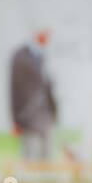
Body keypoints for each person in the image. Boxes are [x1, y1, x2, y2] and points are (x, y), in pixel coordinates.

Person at [10, 26, 57, 161]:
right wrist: (16, 120)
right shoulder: (20, 56)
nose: (48, 37)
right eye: (46, 32)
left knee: (46, 161)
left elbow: (48, 87)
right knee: (30, 161)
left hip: (46, 118)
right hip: (28, 118)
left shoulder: (44, 56)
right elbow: (14, 89)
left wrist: (53, 113)